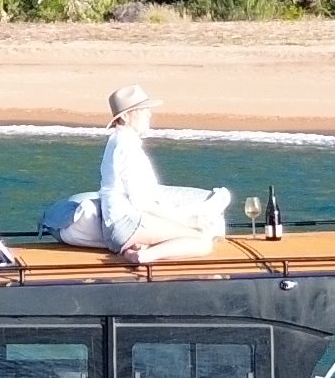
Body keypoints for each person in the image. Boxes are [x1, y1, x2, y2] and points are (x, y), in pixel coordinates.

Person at [61, 85, 230, 265]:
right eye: (142, 110)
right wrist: (184, 220)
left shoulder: (119, 142)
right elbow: (142, 202)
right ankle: (143, 256)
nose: (149, 114)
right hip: (128, 224)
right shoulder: (126, 147)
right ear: (125, 117)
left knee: (191, 235)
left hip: (123, 224)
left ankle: (144, 249)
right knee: (202, 242)